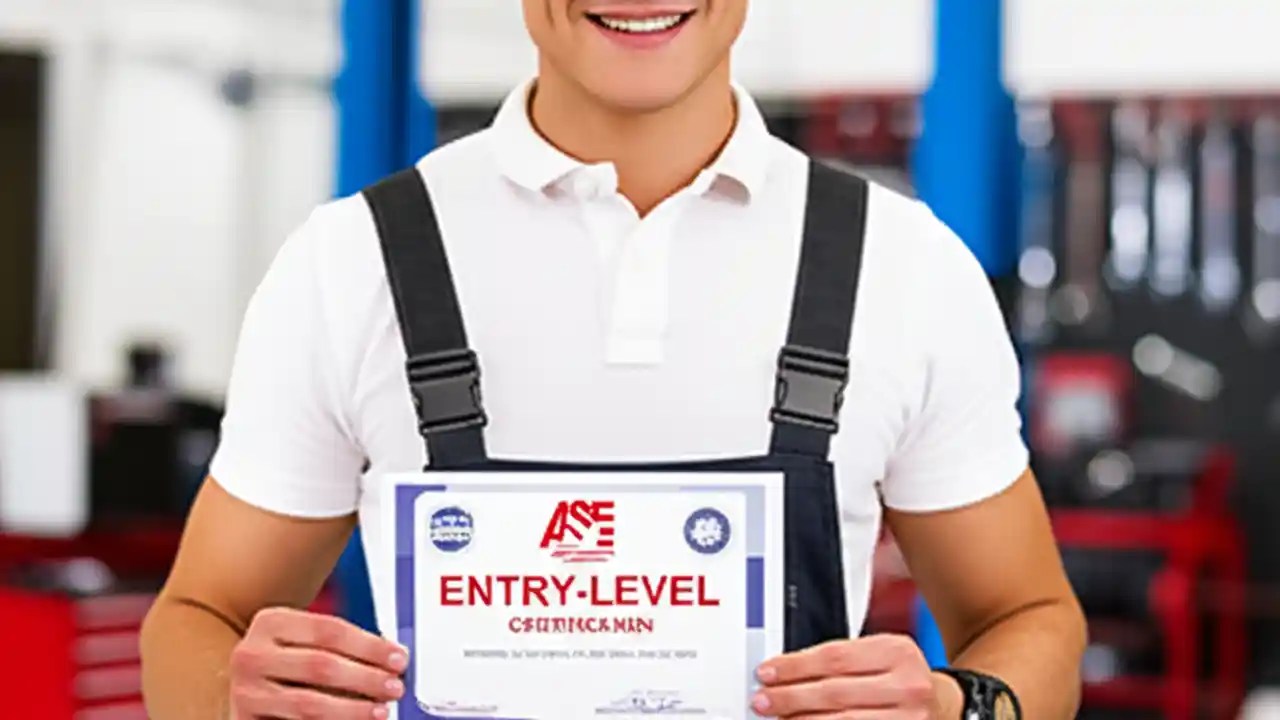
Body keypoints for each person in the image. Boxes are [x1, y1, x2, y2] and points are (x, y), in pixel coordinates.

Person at [141, 1, 1086, 718]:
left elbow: (1031, 617)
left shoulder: (903, 264)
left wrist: (960, 707)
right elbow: (195, 619)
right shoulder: (350, 263)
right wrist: (231, 692)